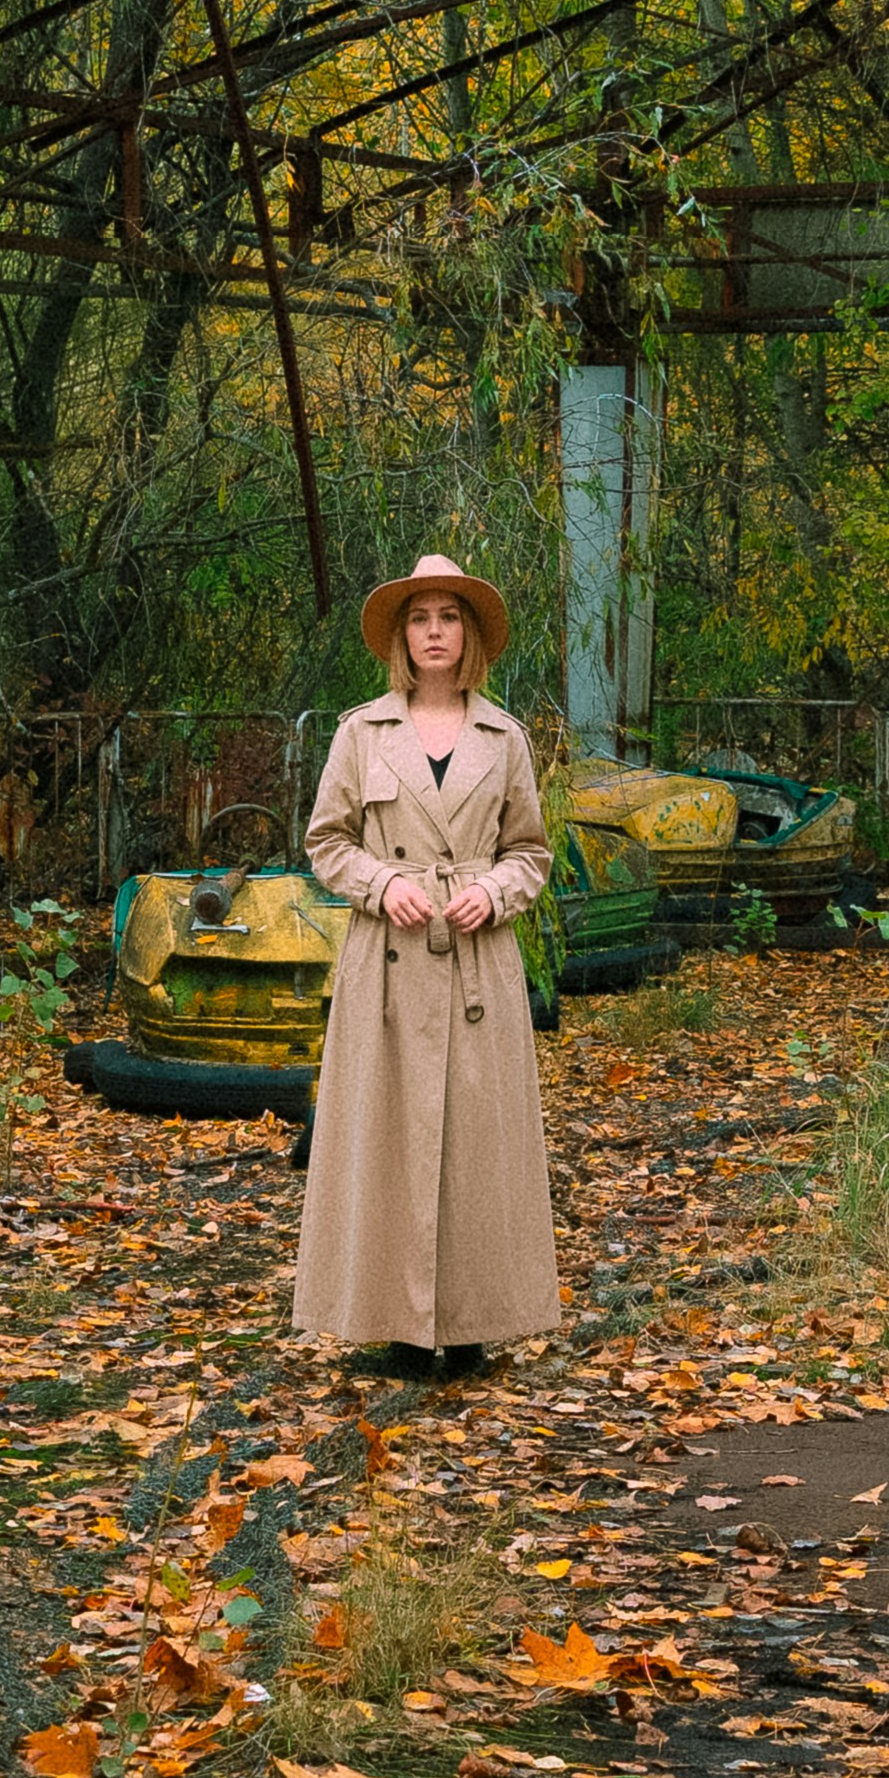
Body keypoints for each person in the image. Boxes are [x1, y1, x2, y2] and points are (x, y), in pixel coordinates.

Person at [292, 552, 562, 1370]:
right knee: (386, 1135)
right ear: (401, 638)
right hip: (389, 964)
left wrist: (497, 891)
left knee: (476, 1139)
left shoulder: (504, 736)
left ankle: (473, 1324)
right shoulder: (359, 731)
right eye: (420, 618)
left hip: (478, 963)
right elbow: (325, 842)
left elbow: (531, 852)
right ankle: (396, 1328)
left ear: (468, 634)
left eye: (448, 617)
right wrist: (379, 882)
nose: (434, 631)